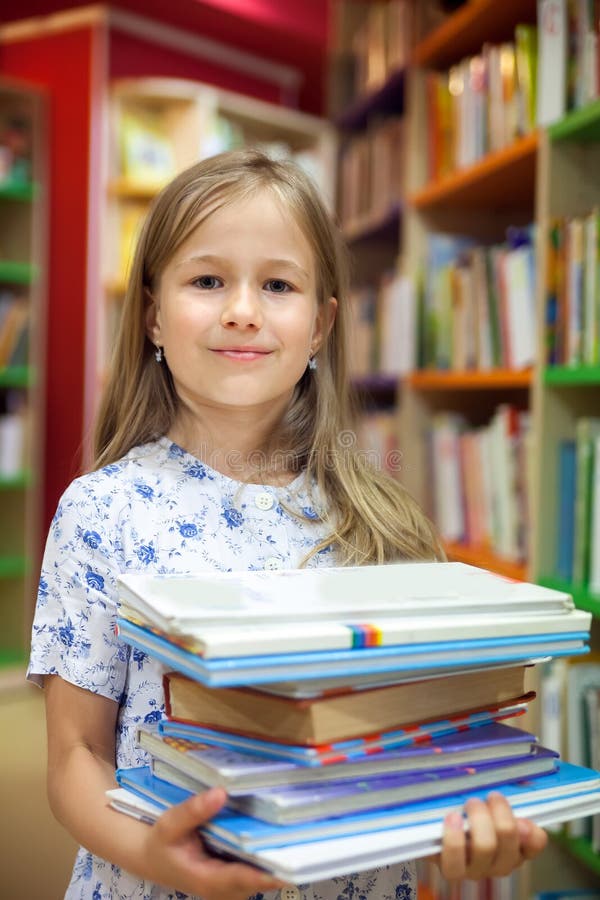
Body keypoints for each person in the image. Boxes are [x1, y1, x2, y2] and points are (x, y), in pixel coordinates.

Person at [28, 148, 547, 900]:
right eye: (208, 281)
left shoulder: (385, 525)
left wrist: (465, 829)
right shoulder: (101, 511)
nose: (243, 308)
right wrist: (159, 858)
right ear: (152, 315)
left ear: (319, 327)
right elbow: (75, 755)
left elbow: (420, 747)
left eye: (277, 284)